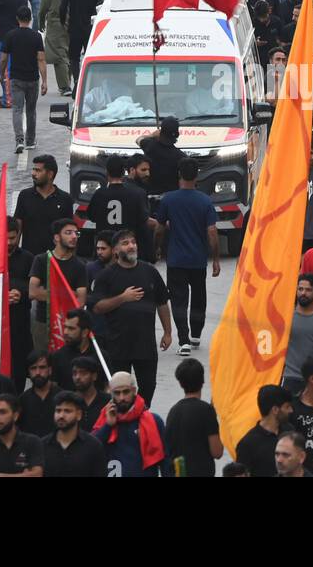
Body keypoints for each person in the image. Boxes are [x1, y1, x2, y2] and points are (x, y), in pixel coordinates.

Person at [87, 230, 172, 405]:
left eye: (133, 242)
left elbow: (162, 302)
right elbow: (96, 307)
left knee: (148, 386)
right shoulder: (107, 276)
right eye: (125, 243)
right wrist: (122, 298)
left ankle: (141, 415)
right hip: (117, 345)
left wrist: (168, 332)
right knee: (119, 389)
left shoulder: (149, 271)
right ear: (116, 251)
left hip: (145, 344)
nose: (131, 245)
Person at [154, 158, 220, 354]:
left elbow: (159, 229)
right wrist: (215, 258)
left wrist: (157, 248)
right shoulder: (205, 201)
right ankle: (196, 335)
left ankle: (183, 340)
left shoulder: (168, 200)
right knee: (199, 297)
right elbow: (212, 232)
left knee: (179, 300)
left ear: (179, 175)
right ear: (197, 175)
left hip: (176, 260)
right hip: (198, 260)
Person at [163, 358, 222, 478]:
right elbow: (217, 452)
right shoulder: (207, 411)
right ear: (203, 380)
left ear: (180, 383)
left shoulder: (173, 412)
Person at [0, 5, 47, 153]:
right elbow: (41, 59)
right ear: (30, 18)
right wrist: (44, 80)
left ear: (17, 19)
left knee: (17, 110)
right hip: (32, 79)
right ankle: (31, 140)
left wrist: (2, 74)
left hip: (16, 79)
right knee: (31, 111)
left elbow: (3, 58)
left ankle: (19, 140)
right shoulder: (36, 36)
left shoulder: (10, 35)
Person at [0, 394, 45, 477]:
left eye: (2, 412)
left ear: (15, 416)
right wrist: (23, 475)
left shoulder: (32, 442)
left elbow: (37, 475)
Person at [235, 385, 294, 477]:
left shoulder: (290, 431)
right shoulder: (247, 444)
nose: (291, 410)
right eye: (287, 407)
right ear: (275, 410)